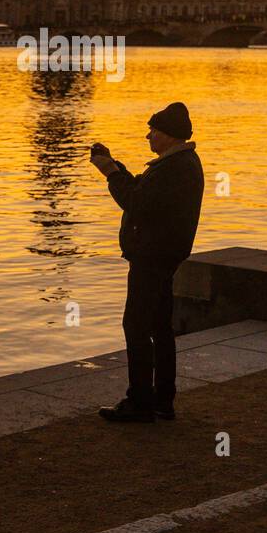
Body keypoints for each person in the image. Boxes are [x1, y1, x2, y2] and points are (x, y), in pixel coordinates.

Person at [90, 102, 204, 423]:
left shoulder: (175, 168)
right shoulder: (178, 163)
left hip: (152, 257)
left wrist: (110, 173)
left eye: (153, 131)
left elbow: (136, 202)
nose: (148, 136)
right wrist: (115, 166)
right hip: (163, 255)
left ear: (168, 135)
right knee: (159, 328)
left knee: (137, 326)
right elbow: (143, 190)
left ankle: (140, 402)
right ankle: (162, 400)